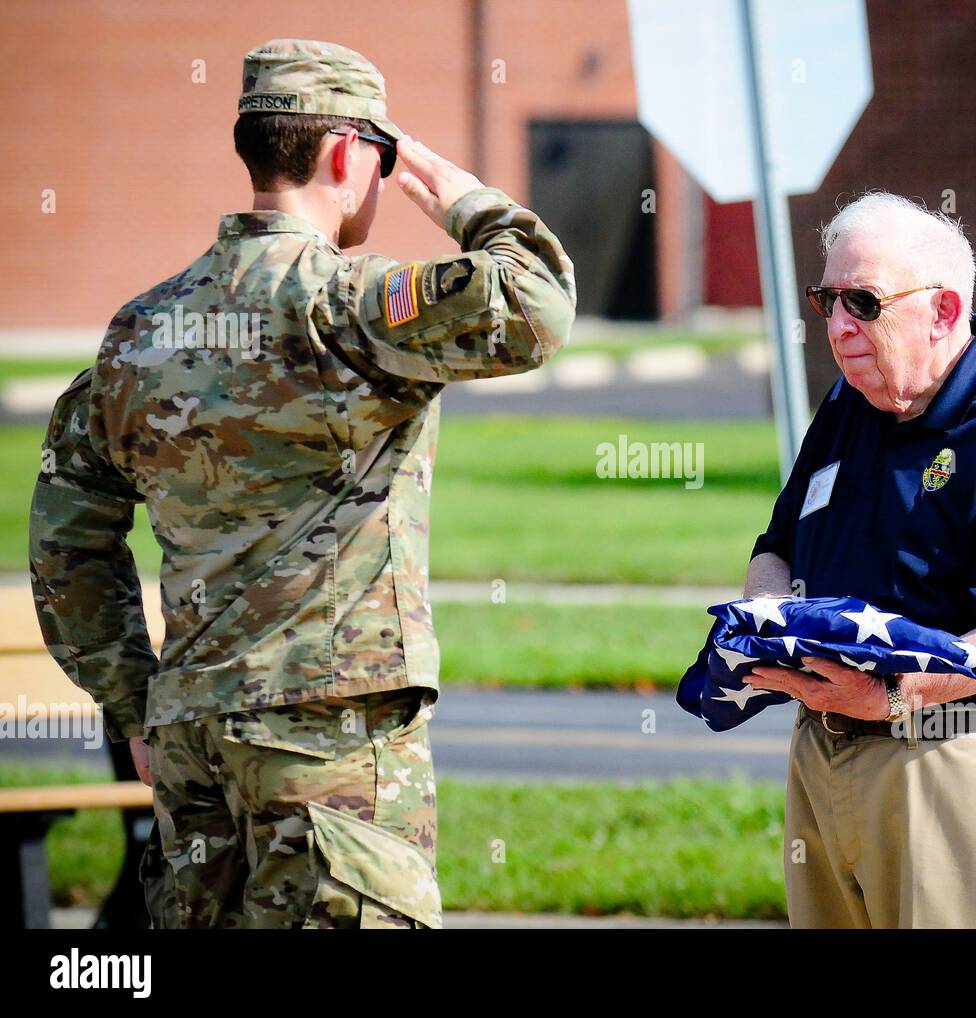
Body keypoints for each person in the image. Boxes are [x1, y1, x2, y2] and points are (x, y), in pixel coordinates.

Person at [28, 38, 575, 929]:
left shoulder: (141, 327)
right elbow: (538, 301)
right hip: (328, 748)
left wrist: (134, 703)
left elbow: (67, 539)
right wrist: (454, 190)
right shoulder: (351, 306)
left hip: (191, 745)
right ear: (347, 154)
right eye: (380, 155)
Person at [743, 192, 976, 928]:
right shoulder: (850, 404)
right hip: (824, 751)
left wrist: (894, 698)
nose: (837, 327)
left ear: (941, 310)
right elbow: (777, 548)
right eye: (826, 299)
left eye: (863, 302)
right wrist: (767, 621)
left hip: (947, 759)